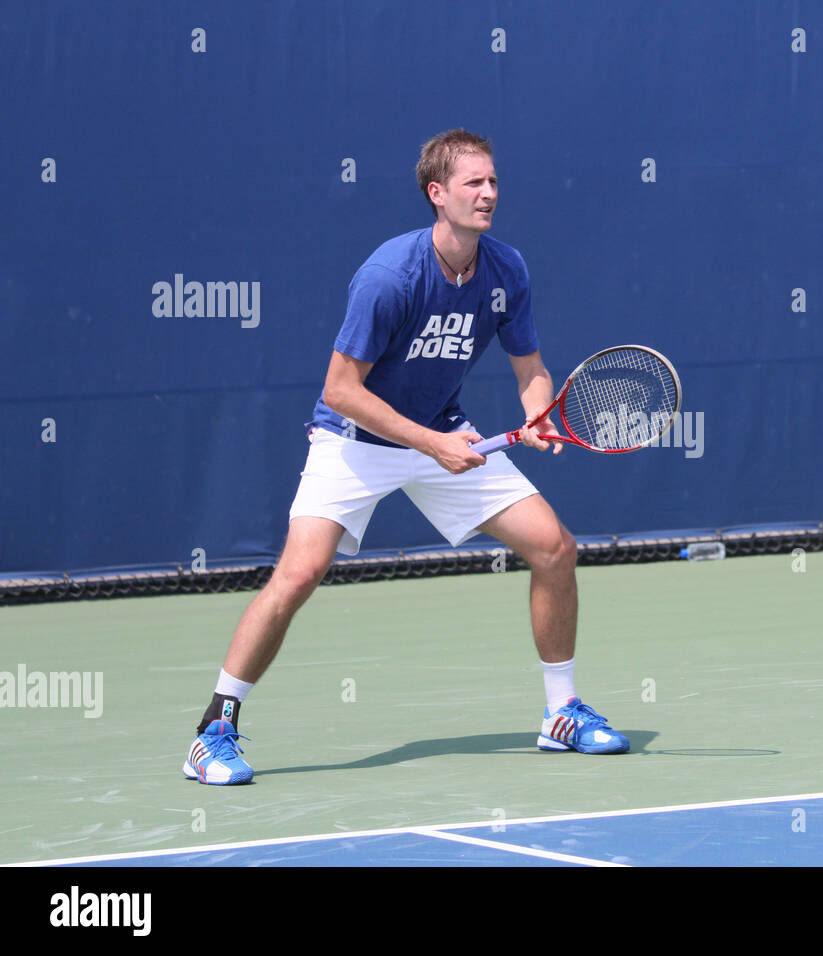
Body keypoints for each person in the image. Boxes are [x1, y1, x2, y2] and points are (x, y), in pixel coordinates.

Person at [182, 129, 628, 785]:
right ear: (436, 194)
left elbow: (530, 366)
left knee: (554, 548)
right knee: (300, 573)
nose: (488, 193)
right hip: (354, 440)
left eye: (494, 181)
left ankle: (561, 713)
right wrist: (431, 445)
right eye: (473, 183)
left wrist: (537, 413)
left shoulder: (507, 270)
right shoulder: (390, 277)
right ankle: (213, 730)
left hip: (441, 431)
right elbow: (340, 390)